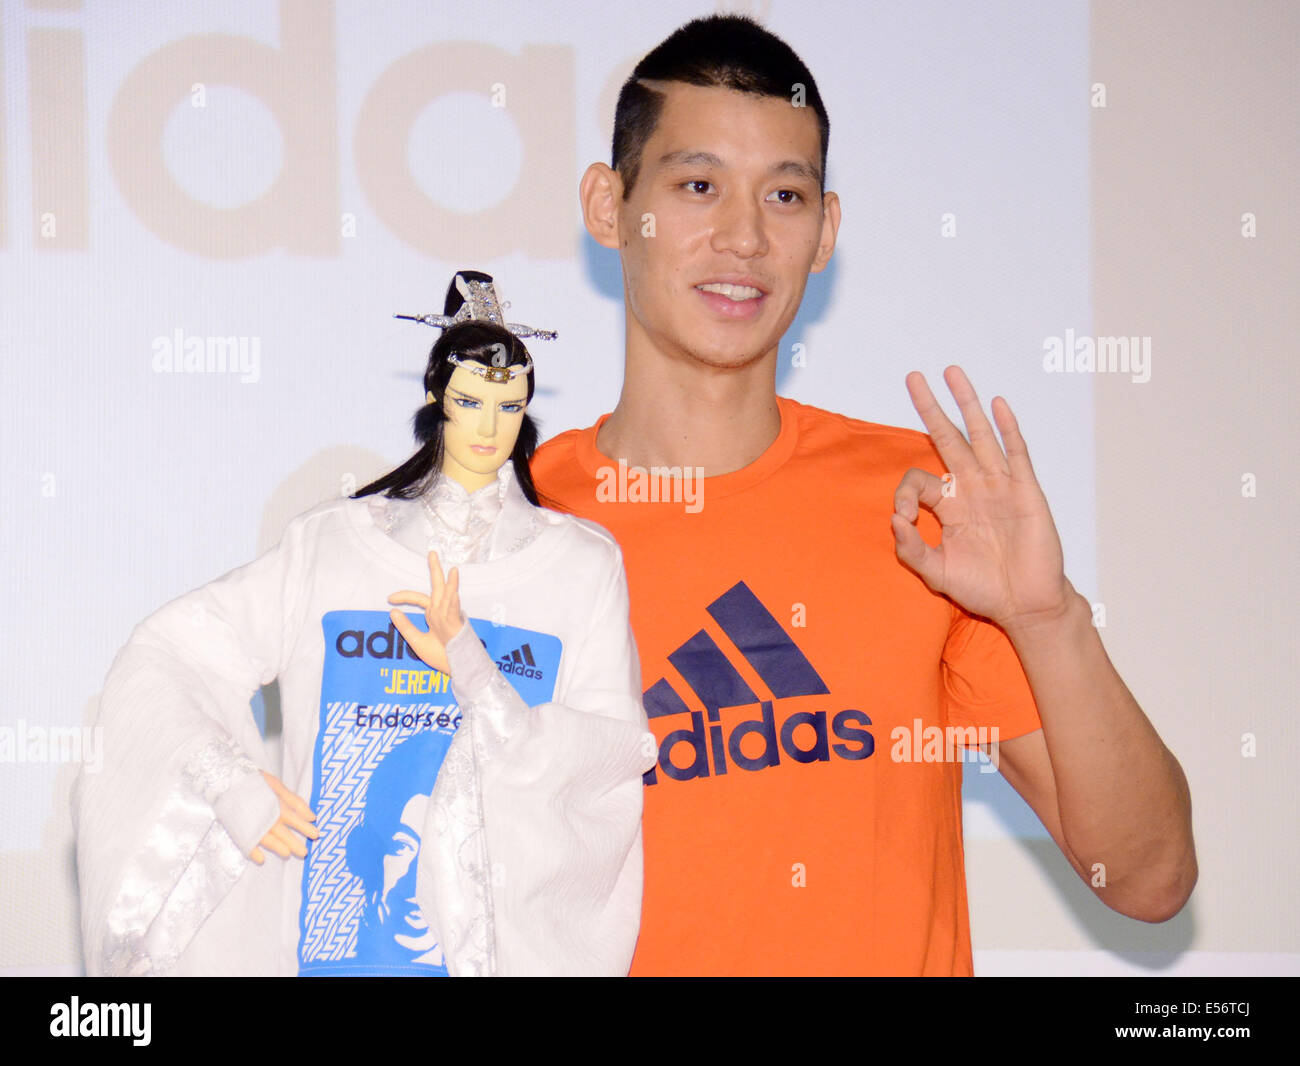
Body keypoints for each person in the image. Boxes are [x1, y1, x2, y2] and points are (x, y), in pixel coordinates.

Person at [530, 15, 1197, 975]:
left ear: (826, 231)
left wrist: (1048, 618)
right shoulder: (516, 521)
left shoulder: (924, 507)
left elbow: (1149, 880)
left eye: (785, 195)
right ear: (609, 205)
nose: (744, 238)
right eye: (698, 186)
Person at [76, 271, 653, 976]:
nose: (488, 426)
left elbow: (609, 761)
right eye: (470, 401)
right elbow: (169, 655)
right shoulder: (334, 546)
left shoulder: (579, 566)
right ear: (437, 399)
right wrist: (231, 784)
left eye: (508, 406)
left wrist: (473, 670)